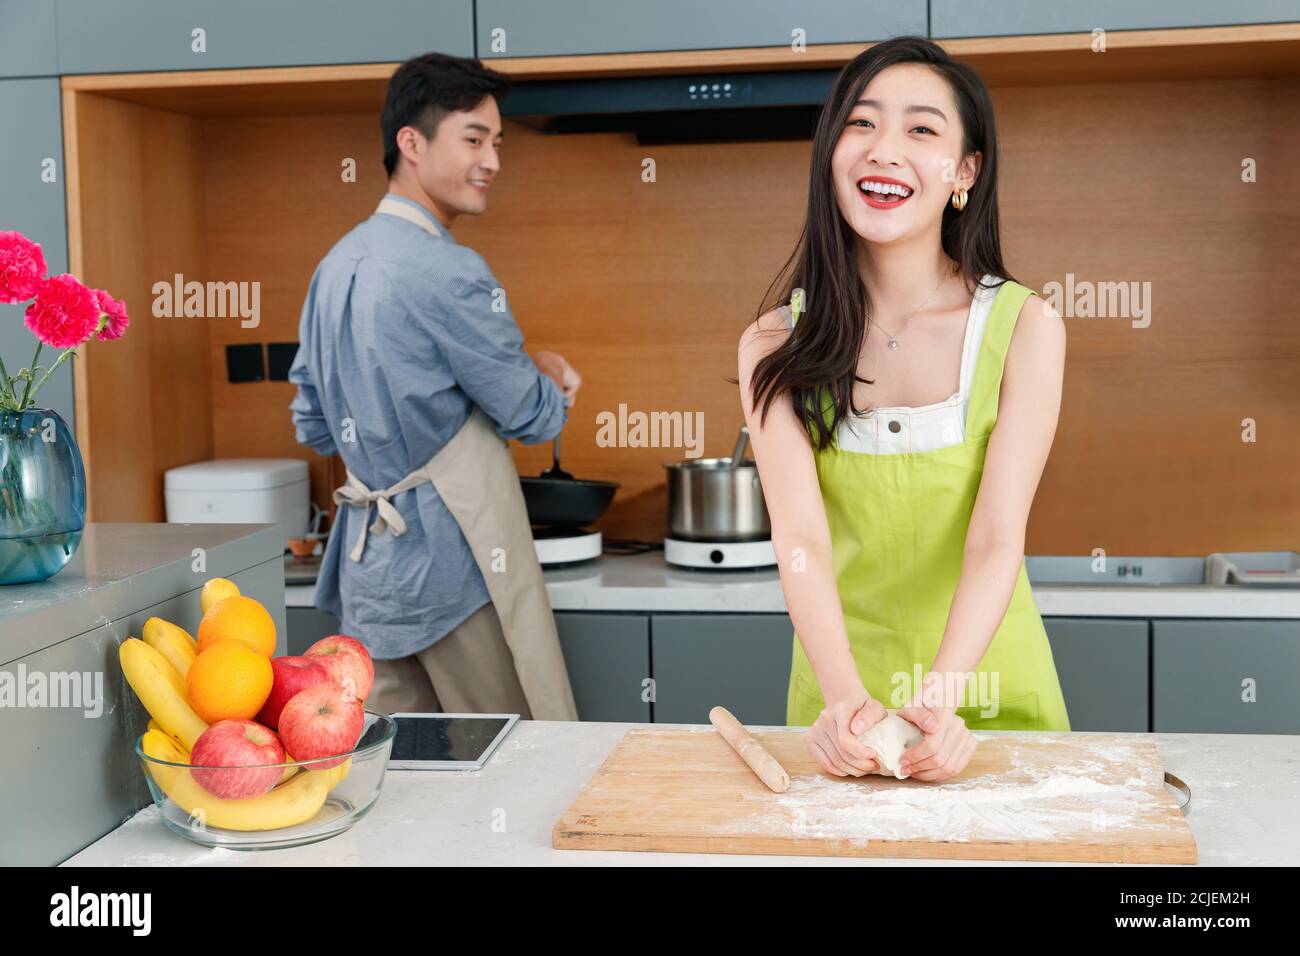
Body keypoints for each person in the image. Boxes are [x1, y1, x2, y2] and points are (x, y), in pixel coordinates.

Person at [737, 36, 1071, 783]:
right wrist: (844, 699)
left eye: (921, 129)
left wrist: (941, 702)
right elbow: (801, 542)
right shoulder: (771, 344)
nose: (884, 148)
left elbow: (995, 539)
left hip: (985, 702)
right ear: (830, 156)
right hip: (837, 713)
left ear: (964, 172)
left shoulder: (1025, 328)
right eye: (860, 124)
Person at [289, 52, 581, 719]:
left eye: (497, 143)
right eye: (474, 139)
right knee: (515, 762)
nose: (493, 160)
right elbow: (533, 418)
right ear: (411, 144)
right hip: (457, 572)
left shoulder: (333, 267)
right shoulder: (449, 271)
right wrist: (550, 376)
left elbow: (311, 424)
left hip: (370, 579)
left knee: (398, 782)